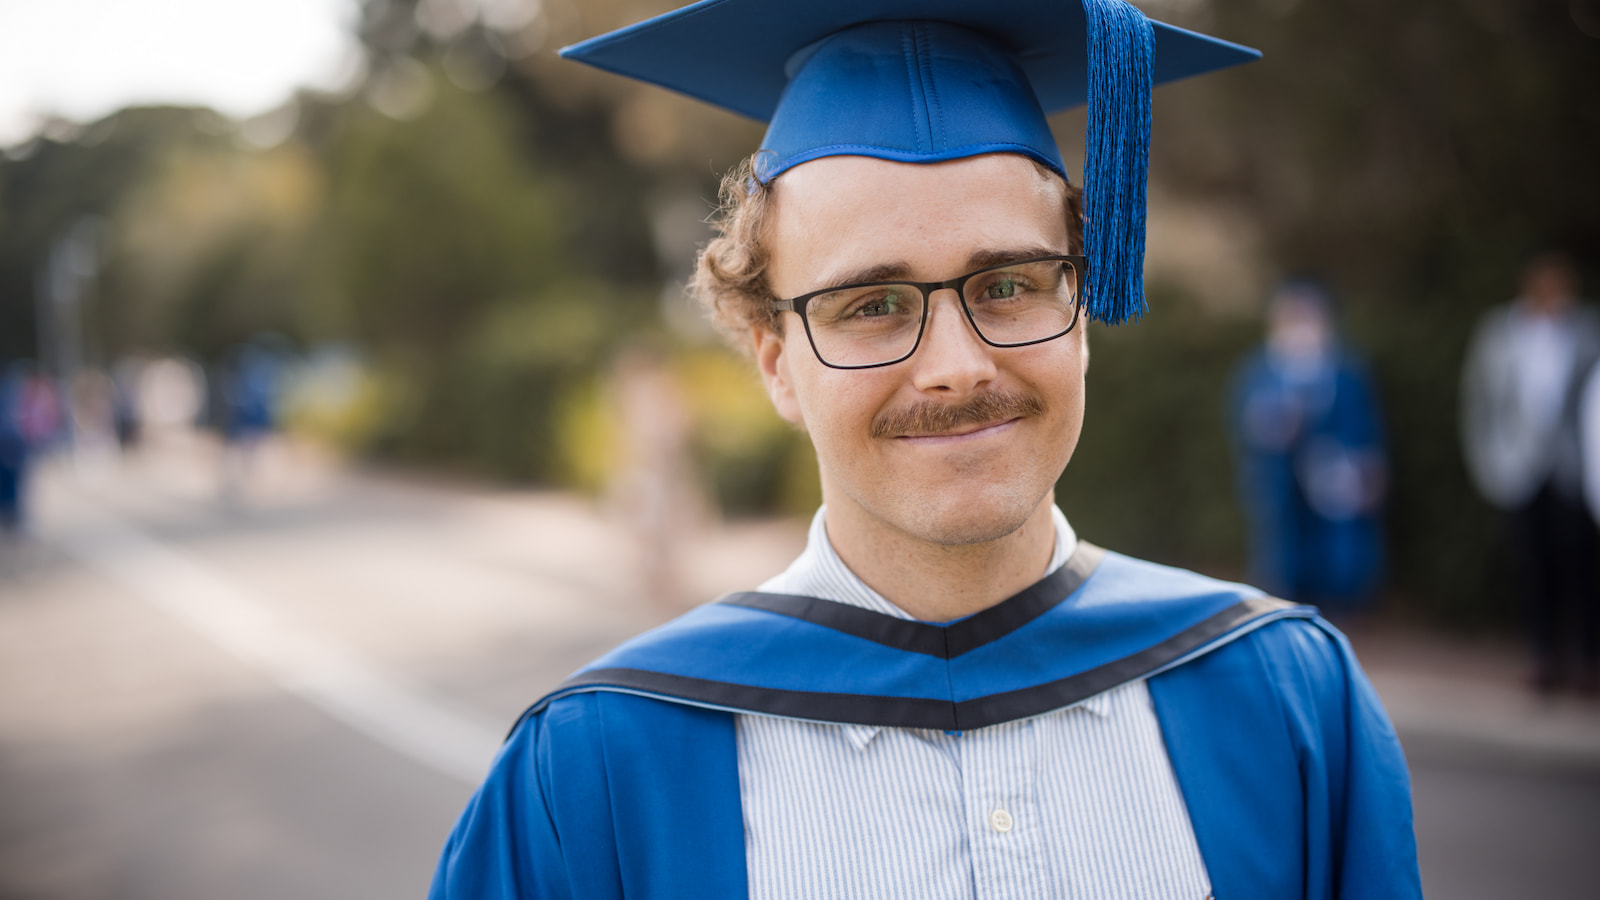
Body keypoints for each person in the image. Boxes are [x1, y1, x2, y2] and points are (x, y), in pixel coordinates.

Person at [431, 2, 1421, 897]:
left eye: (1008, 285)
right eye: (870, 305)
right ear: (775, 363)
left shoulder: (1286, 701)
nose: (956, 367)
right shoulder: (601, 766)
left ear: (1080, 315)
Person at [1464, 252, 1600, 694]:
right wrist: (1490, 462)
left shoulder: (1586, 330)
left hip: (1574, 469)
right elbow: (1480, 401)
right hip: (1518, 467)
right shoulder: (1499, 331)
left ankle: (1587, 657)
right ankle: (1542, 656)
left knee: (1582, 565)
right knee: (1532, 566)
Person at [1231, 280, 1387, 613]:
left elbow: (1363, 422)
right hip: (1278, 475)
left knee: (1338, 547)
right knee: (1282, 546)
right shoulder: (1259, 368)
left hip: (1333, 475)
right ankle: (1284, 602)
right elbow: (1245, 420)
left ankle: (1341, 605)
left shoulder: (1345, 367)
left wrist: (1366, 465)